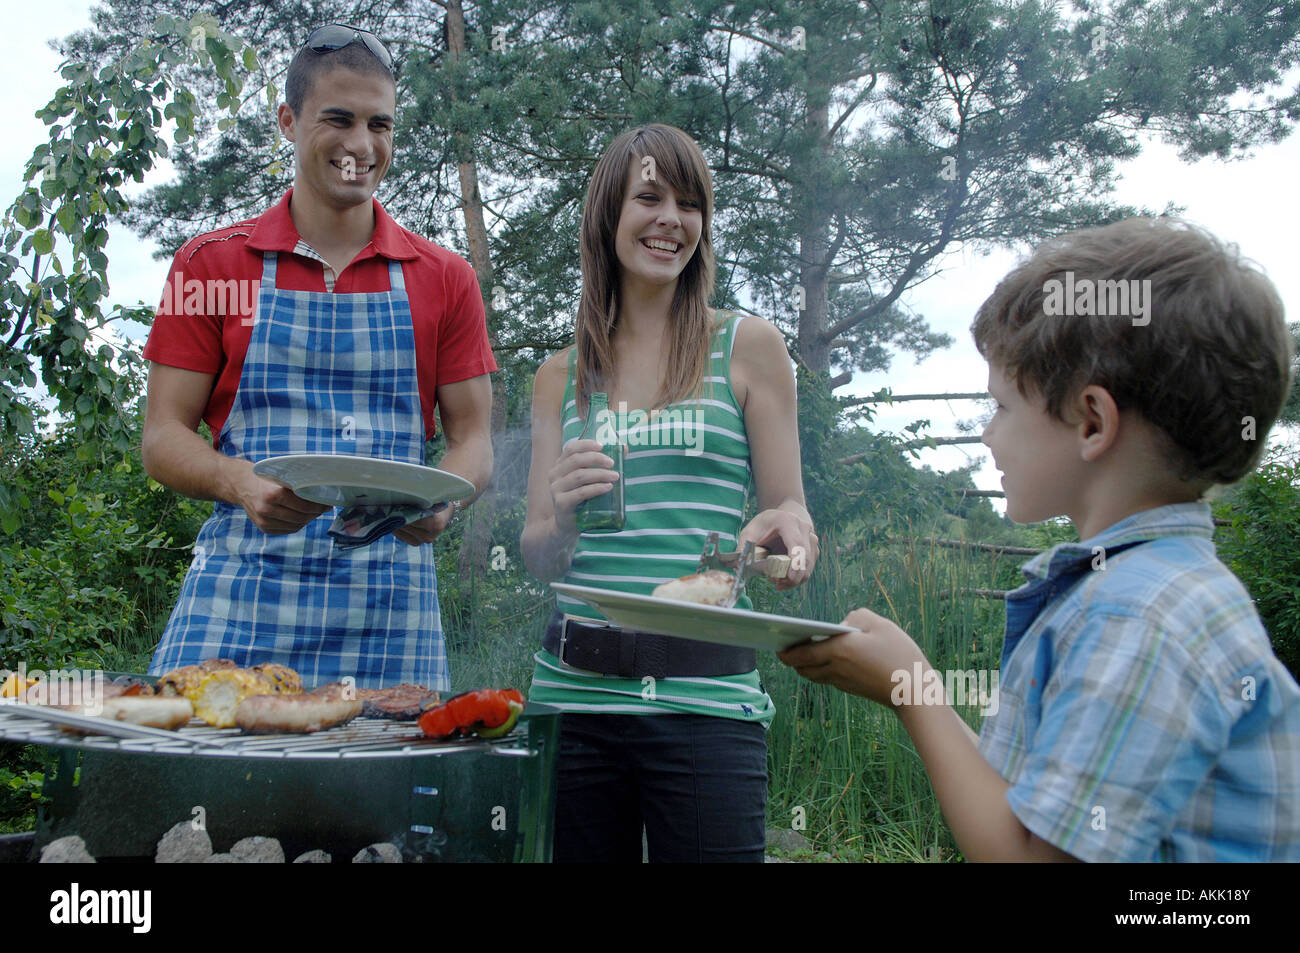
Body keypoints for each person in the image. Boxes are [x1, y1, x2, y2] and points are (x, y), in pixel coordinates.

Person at [780, 218, 1300, 862]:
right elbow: (1029, 819)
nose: (986, 434)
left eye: (1000, 406)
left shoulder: (1136, 615)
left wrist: (912, 688)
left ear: (1091, 422)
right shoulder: (1160, 592)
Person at [141, 25, 496, 691]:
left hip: (390, 611)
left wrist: (445, 498)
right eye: (339, 119)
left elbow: (473, 439)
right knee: (196, 789)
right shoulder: (211, 263)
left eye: (379, 124)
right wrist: (238, 483)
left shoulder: (444, 276)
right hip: (239, 596)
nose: (362, 146)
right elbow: (162, 437)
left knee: (382, 798)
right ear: (288, 120)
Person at [520, 124, 819, 863]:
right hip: (573, 698)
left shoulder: (748, 345)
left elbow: (791, 510)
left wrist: (789, 535)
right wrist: (557, 514)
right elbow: (537, 555)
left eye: (690, 204)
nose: (672, 220)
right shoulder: (561, 375)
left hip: (707, 699)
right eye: (649, 197)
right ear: (606, 217)